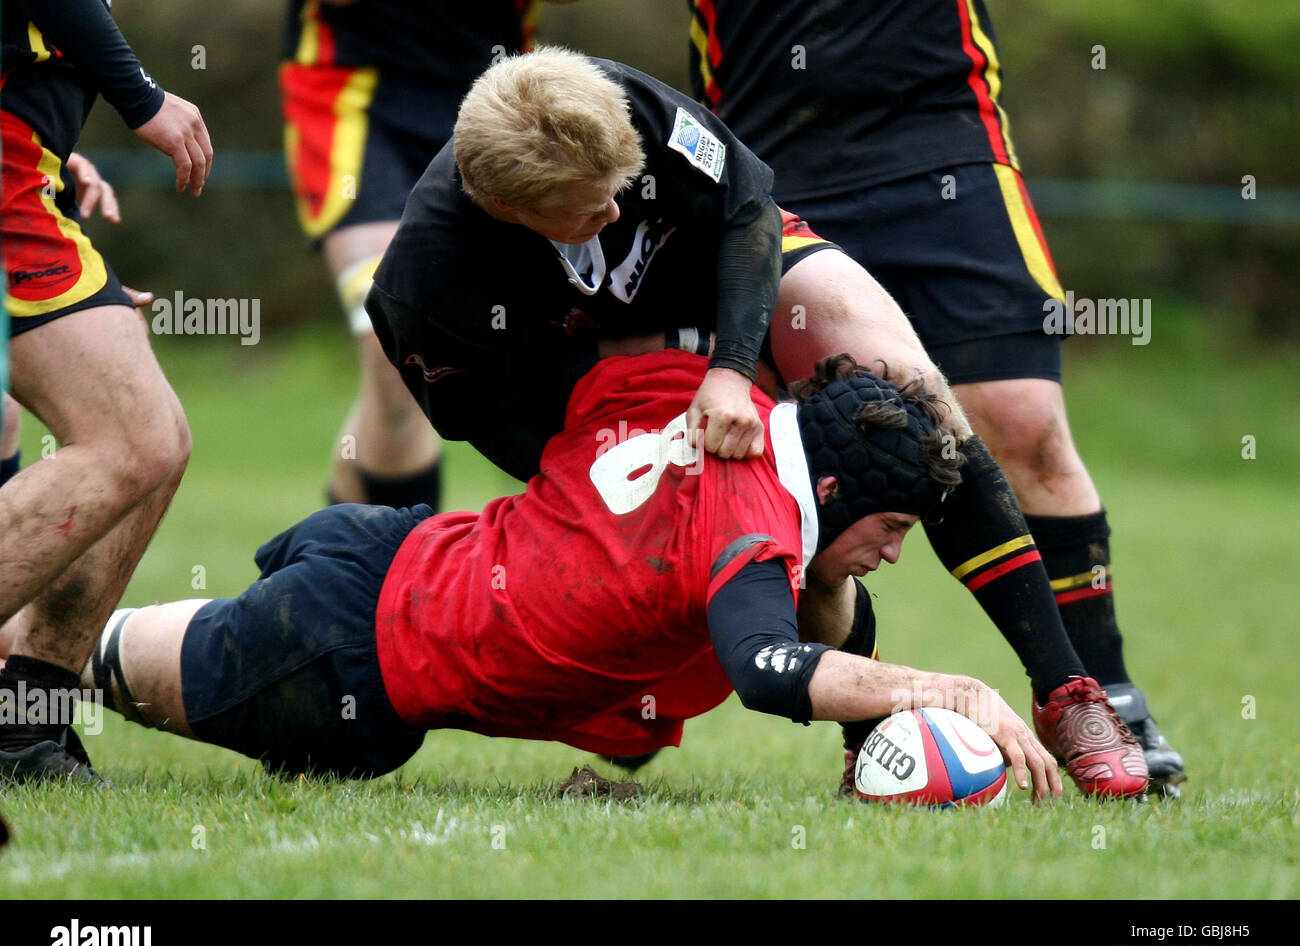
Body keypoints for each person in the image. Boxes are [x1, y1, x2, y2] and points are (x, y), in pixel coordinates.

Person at [366, 48, 1146, 797]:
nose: (615, 206)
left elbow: (748, 209)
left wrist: (733, 368)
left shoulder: (616, 106)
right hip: (599, 372)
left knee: (909, 379)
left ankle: (1065, 687)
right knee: (723, 558)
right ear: (509, 209)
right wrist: (634, 484)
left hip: (721, 275)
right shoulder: (426, 288)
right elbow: (486, 417)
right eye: (589, 205)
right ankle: (873, 731)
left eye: (621, 187)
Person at [78, 351, 1061, 803]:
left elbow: (816, 603)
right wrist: (949, 687)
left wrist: (868, 732)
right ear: (836, 485)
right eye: (890, 526)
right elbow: (766, 665)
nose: (894, 549)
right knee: (81, 661)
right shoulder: (752, 523)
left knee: (88, 637)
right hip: (348, 657)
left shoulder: (698, 387)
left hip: (397, 548)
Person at [684, 0, 1185, 796]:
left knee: (1022, 416)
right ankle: (879, 725)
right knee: (802, 462)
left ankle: (1089, 691)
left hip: (940, 133)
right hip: (763, 151)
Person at [0, 0, 212, 783]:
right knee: (137, 437)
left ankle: (26, 720)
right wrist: (144, 98)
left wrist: (63, 147)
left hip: (30, 169)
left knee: (153, 442)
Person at [281, 0, 563, 508]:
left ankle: (335, 560)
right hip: (353, 98)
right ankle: (395, 572)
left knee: (425, 369)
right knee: (395, 348)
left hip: (500, 101)